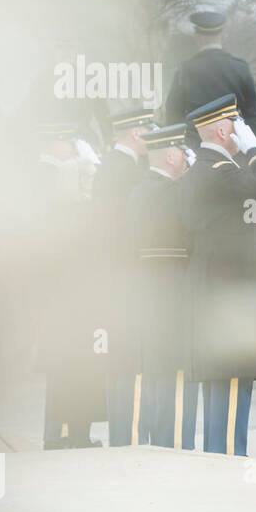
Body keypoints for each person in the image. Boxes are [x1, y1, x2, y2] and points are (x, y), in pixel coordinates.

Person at [176, 93, 256, 456]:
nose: (242, 133)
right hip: (228, 300)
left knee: (223, 386)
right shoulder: (219, 172)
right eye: (238, 127)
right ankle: (225, 467)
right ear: (224, 132)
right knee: (230, 383)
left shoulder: (203, 172)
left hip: (215, 296)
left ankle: (220, 461)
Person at [33, 115, 105, 449]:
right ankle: (62, 434)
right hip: (62, 293)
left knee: (78, 364)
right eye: (70, 144)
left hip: (78, 292)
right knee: (64, 364)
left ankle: (71, 433)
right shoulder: (48, 182)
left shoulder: (67, 181)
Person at [129, 124, 199, 449]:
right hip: (175, 297)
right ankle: (174, 448)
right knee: (177, 375)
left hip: (146, 297)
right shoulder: (175, 192)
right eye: (183, 152)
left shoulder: (139, 190)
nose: (186, 158)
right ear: (171, 154)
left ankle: (153, 442)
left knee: (154, 373)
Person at [91, 106, 155, 446]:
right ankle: (130, 439)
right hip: (130, 277)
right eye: (148, 130)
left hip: (112, 278)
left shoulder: (108, 166)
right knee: (132, 359)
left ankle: (122, 435)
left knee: (119, 363)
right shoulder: (129, 172)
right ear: (136, 133)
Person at [164, 11, 256, 145]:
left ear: (198, 38)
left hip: (197, 146)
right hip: (234, 144)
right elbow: (253, 114)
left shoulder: (184, 70)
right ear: (223, 37)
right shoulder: (240, 68)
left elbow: (173, 115)